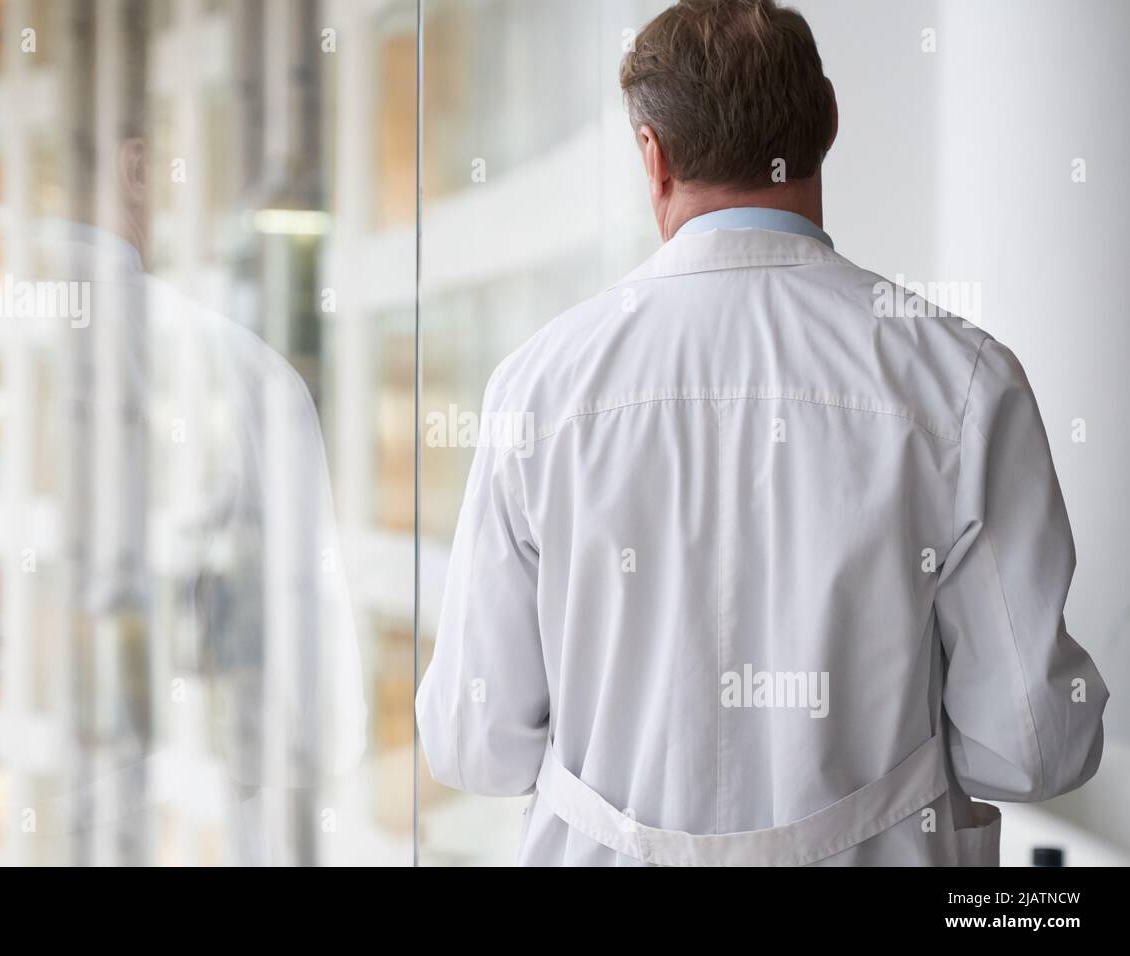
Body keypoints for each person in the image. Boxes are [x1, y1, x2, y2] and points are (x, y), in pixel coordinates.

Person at [416, 0, 1107, 866]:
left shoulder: (538, 386)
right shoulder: (961, 380)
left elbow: (476, 744)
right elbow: (1034, 747)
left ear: (652, 156)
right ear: (826, 126)